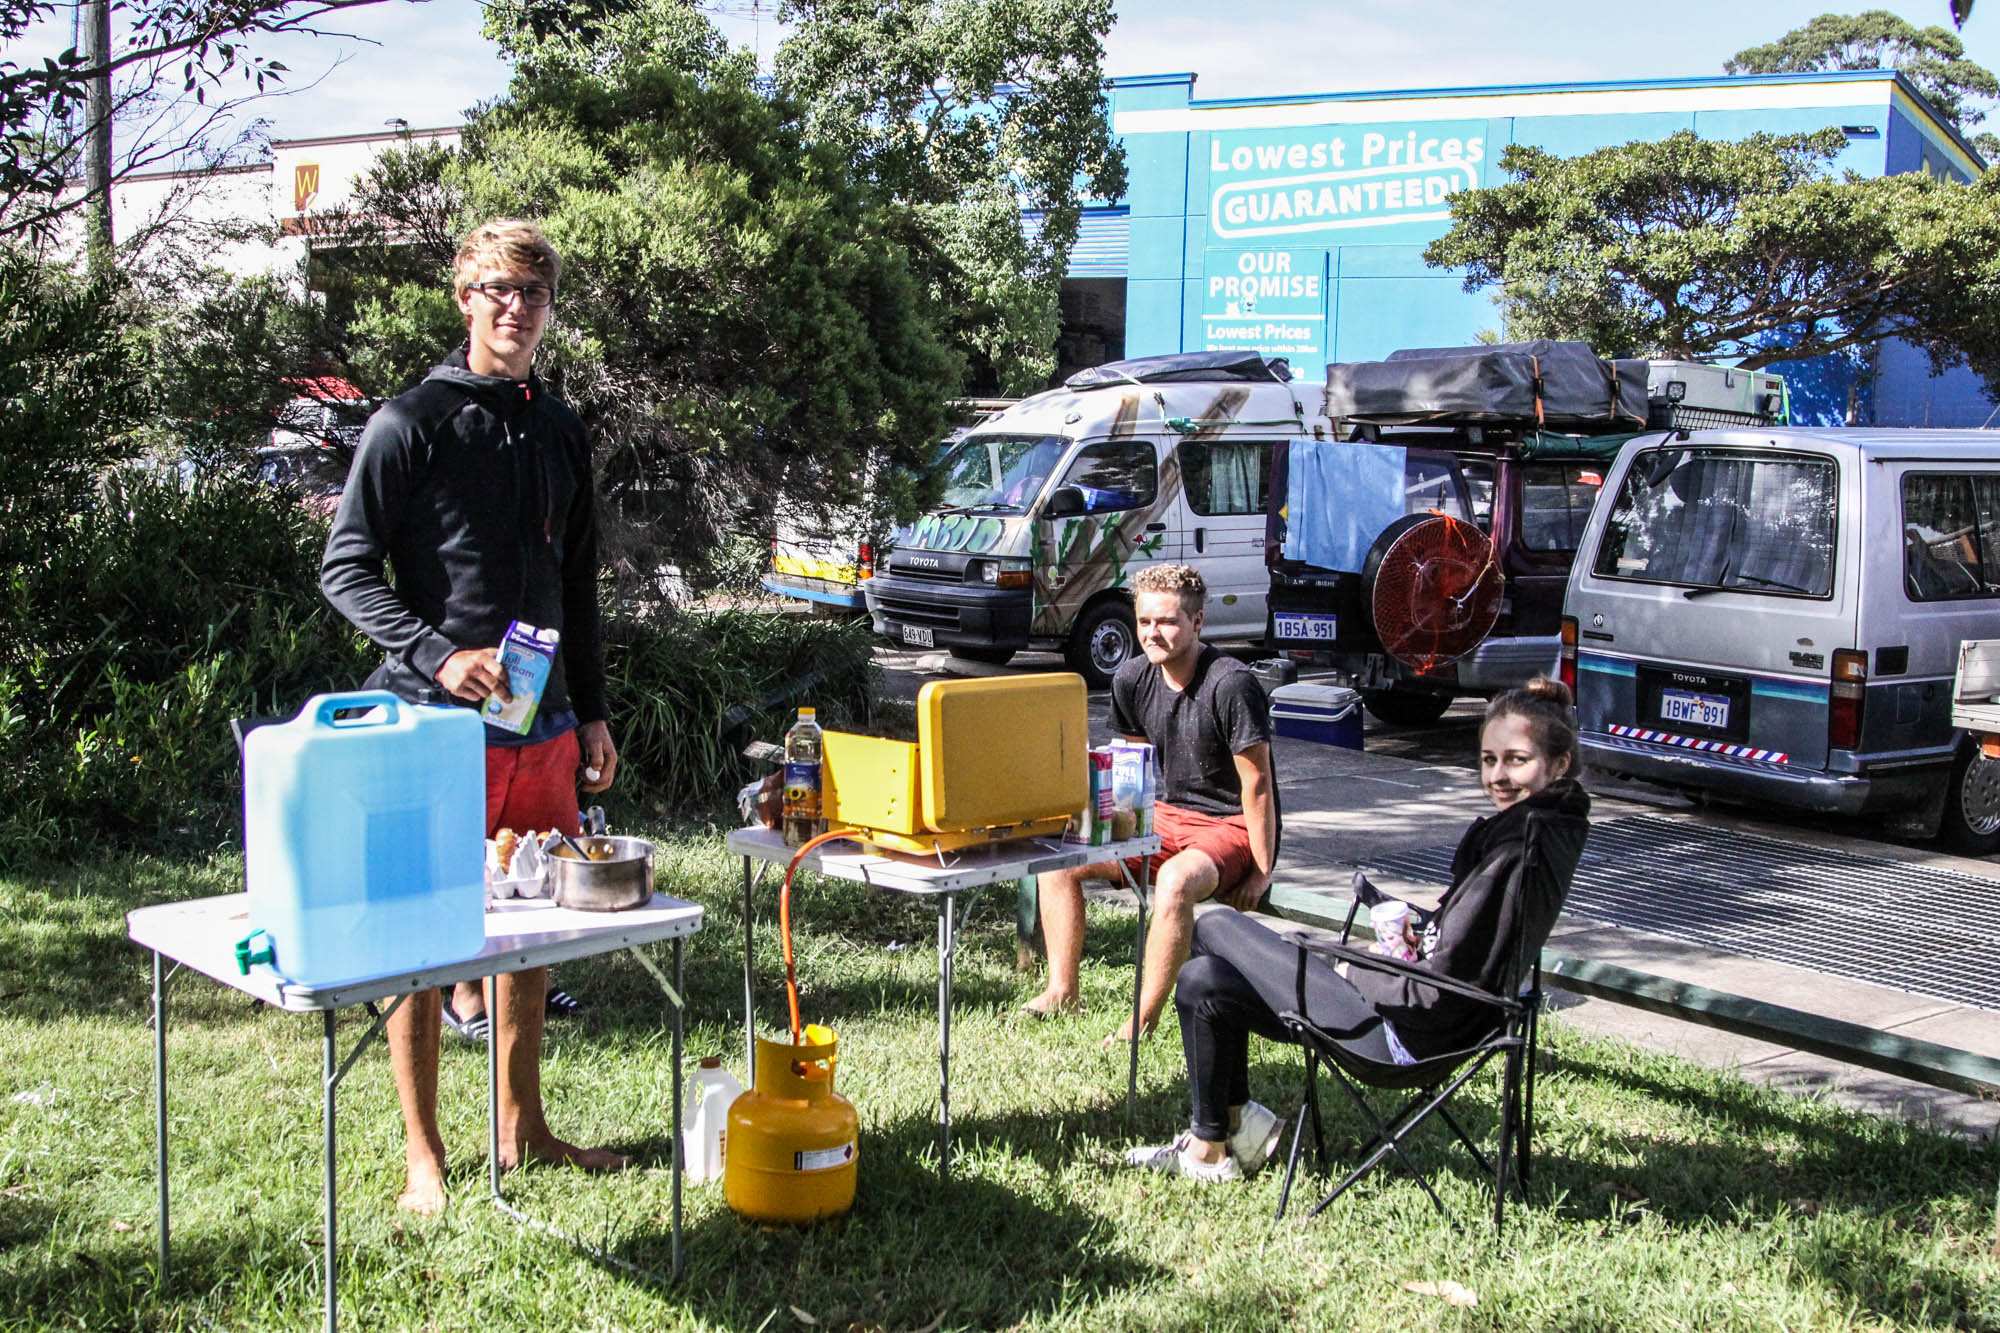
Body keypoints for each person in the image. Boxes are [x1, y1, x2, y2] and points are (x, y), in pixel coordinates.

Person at [320, 218, 625, 1212]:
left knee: (531, 929)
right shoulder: (411, 421)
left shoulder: (560, 427)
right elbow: (346, 568)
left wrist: (589, 713)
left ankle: (523, 1130)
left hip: (538, 724)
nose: (514, 307)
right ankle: (424, 1153)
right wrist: (435, 653)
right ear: (463, 298)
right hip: (431, 723)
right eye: (496, 288)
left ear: (547, 308)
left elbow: (576, 584)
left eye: (531, 293)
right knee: (423, 940)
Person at [1127, 678, 1589, 1181]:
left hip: (1400, 1035)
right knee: (1203, 981)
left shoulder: (1517, 850)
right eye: (1488, 760)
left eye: (1517, 760)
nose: (1499, 776)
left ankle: (1235, 1132)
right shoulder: (1545, 830)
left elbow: (1449, 969)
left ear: (1559, 764)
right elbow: (1462, 944)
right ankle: (1214, 1145)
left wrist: (1350, 966)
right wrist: (1415, 935)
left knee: (1214, 923)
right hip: (1424, 1014)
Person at [1024, 564, 1277, 1045]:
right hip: (1165, 813)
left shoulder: (1231, 683)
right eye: (1144, 622)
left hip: (1228, 824)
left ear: (1198, 622)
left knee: (1176, 881)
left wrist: (1262, 871)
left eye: (1167, 622)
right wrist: (1106, 827)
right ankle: (1062, 991)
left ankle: (1142, 1022)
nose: (1152, 633)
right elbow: (1132, 772)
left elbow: (1258, 785)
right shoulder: (1131, 678)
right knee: (1061, 860)